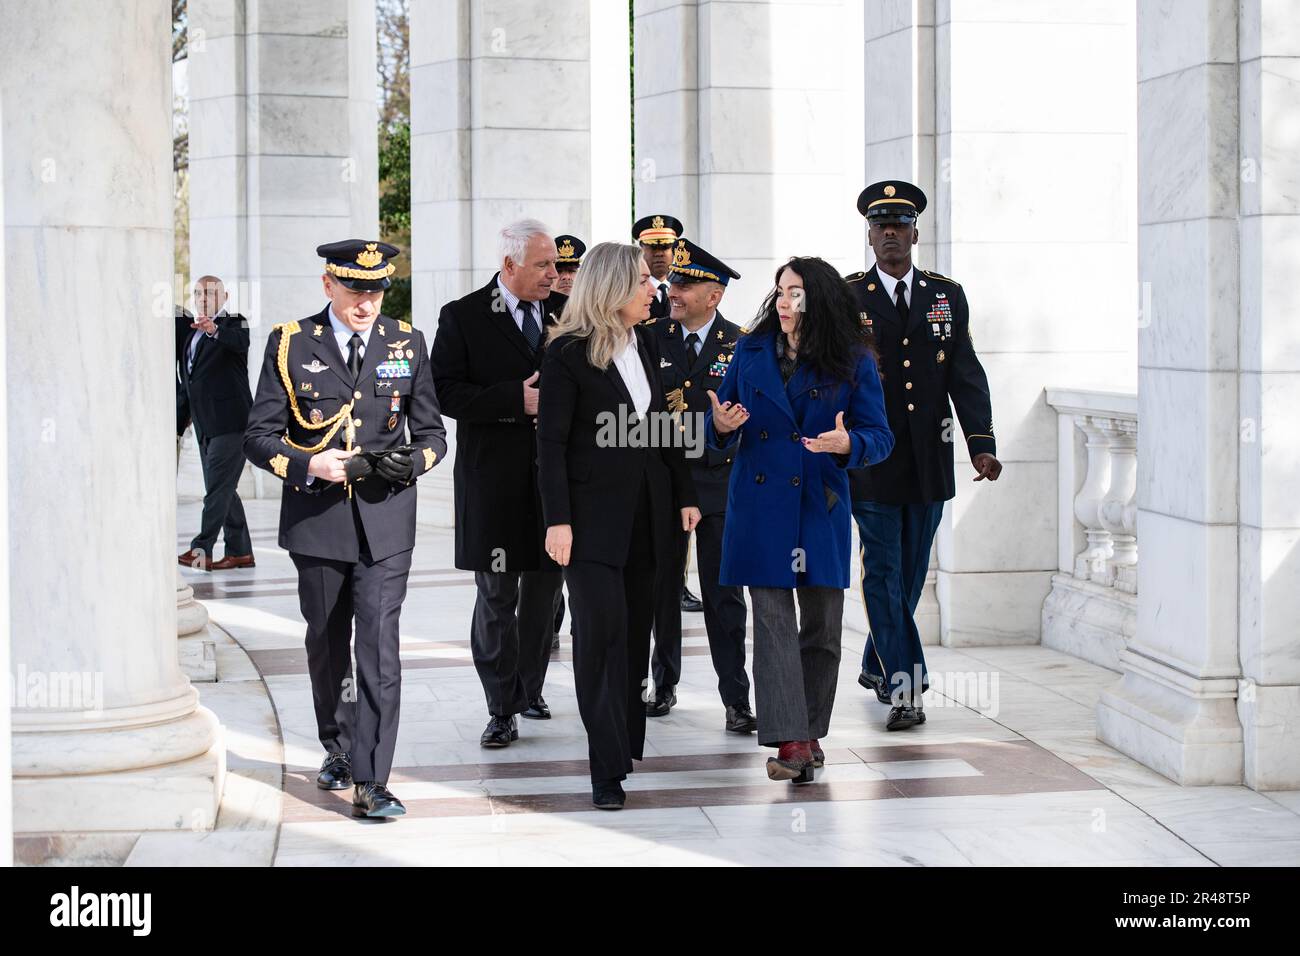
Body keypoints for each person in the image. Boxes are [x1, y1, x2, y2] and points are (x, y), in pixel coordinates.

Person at [244, 240, 446, 818]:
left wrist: (416, 460)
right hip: (319, 521)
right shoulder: (290, 343)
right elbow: (257, 437)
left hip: (387, 522)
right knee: (328, 641)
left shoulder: (406, 341)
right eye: (356, 290)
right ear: (329, 285)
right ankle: (336, 745)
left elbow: (433, 434)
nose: (366, 303)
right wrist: (310, 463)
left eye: (376, 291)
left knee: (379, 649)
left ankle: (372, 778)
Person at [706, 256, 893, 784]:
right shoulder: (751, 348)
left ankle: (809, 733)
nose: (785, 303)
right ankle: (791, 742)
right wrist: (719, 424)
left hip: (819, 504)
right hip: (761, 505)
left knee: (823, 628)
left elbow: (880, 436)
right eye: (781, 291)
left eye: (797, 294)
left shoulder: (852, 359)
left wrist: (848, 444)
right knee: (771, 624)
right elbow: (721, 419)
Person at [537, 241, 700, 810]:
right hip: (588, 524)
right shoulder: (566, 354)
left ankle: (626, 741)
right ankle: (605, 769)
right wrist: (557, 521)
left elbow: (665, 429)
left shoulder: (649, 342)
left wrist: (685, 495)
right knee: (600, 639)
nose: (653, 288)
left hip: (650, 518)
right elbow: (550, 446)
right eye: (642, 282)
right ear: (612, 291)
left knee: (635, 633)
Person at [845, 181, 1001, 731]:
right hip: (871, 459)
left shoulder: (946, 294)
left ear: (915, 232)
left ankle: (875, 660)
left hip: (929, 460)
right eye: (881, 225)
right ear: (869, 235)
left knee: (910, 575)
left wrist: (981, 444)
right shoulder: (849, 296)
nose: (891, 233)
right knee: (883, 569)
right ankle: (905, 686)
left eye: (900, 224)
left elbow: (965, 371)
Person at [430, 219, 567, 746]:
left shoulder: (565, 314)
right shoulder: (462, 316)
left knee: (544, 598)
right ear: (509, 265)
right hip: (493, 483)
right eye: (544, 265)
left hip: (553, 483)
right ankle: (499, 705)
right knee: (496, 597)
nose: (554, 275)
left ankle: (527, 689)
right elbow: (443, 392)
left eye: (554, 264)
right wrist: (516, 400)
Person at [645, 238, 755, 733]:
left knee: (723, 594)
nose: (675, 291)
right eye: (675, 283)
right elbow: (639, 414)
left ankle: (736, 698)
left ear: (715, 295)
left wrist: (721, 433)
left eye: (687, 285)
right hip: (663, 482)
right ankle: (662, 683)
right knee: (661, 589)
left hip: (719, 484)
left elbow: (753, 416)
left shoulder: (744, 343)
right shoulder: (648, 337)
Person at [633, 213, 702, 614]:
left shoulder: (681, 291)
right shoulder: (638, 294)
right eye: (652, 247)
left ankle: (679, 582)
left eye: (666, 247)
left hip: (687, 425)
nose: (660, 255)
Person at [176, 276, 255, 571]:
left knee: (216, 491)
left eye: (210, 293)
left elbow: (239, 343)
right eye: (197, 293)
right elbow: (189, 382)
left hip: (232, 422)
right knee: (222, 489)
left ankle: (202, 550)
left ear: (225, 295)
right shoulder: (191, 334)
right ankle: (240, 552)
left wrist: (214, 330)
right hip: (204, 424)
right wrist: (179, 421)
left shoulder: (235, 323)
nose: (203, 298)